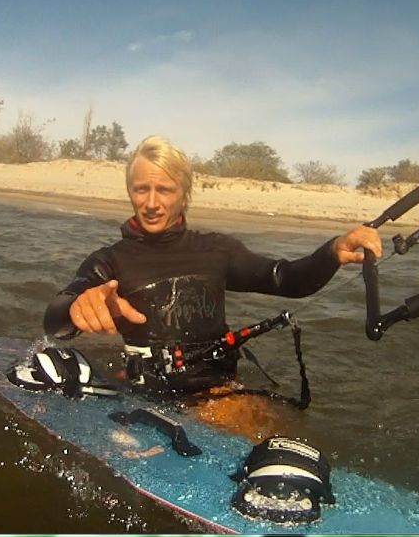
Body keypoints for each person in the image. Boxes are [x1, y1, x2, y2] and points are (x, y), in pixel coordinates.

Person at [44, 135, 382, 396]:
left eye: (164, 190)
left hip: (220, 395)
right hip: (145, 395)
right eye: (141, 189)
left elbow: (286, 279)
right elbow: (55, 322)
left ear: (184, 194)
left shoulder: (217, 249)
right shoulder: (109, 261)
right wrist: (77, 306)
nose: (151, 203)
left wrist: (332, 252)